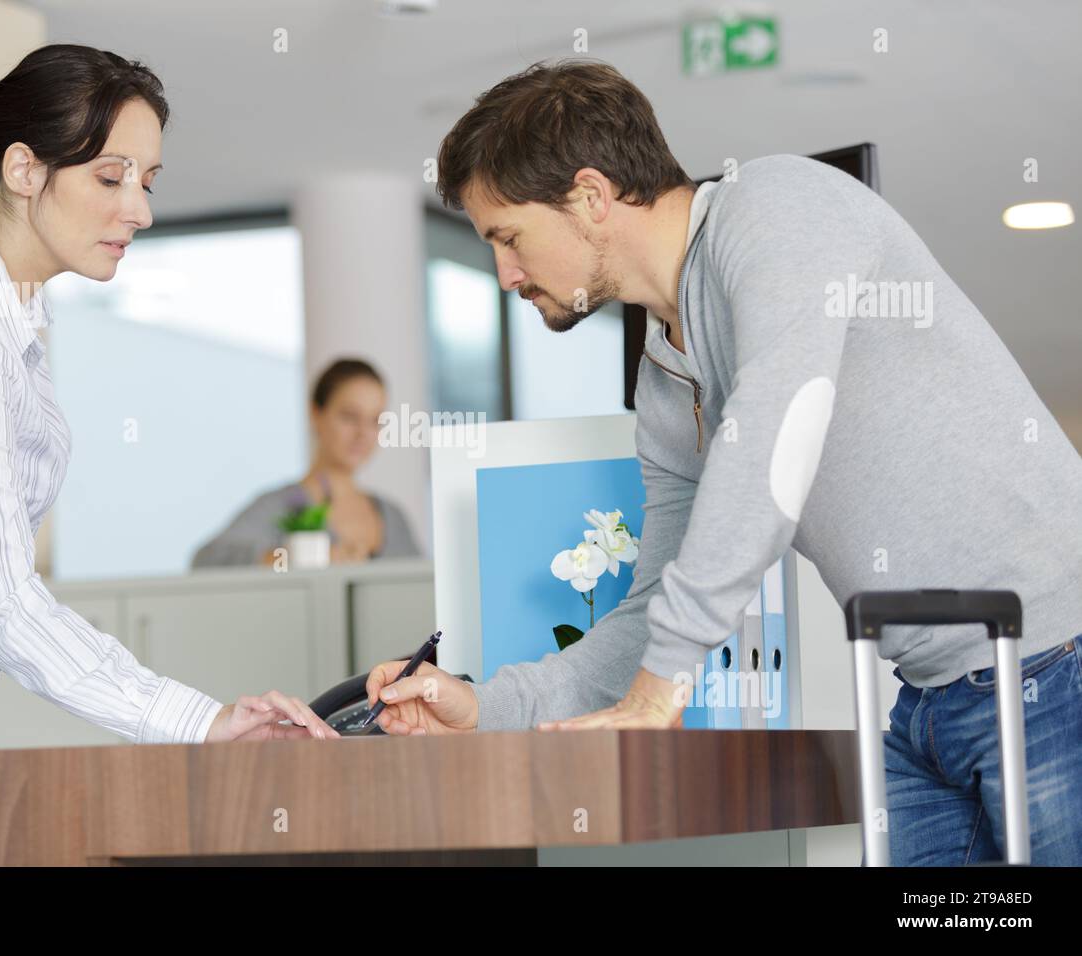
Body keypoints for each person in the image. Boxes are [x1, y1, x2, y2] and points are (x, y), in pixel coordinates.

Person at [365, 60, 1082, 865]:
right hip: (932, 701)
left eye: (508, 237)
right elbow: (649, 615)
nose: (505, 275)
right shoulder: (665, 380)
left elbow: (779, 428)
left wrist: (658, 691)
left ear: (591, 198)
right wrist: (485, 704)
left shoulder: (776, 205)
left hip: (1059, 664)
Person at [0, 44, 338, 758]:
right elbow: (0, 603)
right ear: (22, 170)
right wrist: (194, 719)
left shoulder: (2, 316)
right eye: (111, 178)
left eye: (147, 181)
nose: (138, 209)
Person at [191, 358, 421, 567]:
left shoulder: (393, 516)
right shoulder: (280, 506)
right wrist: (295, 559)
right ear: (316, 414)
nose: (363, 433)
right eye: (349, 416)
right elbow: (206, 561)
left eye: (375, 421)